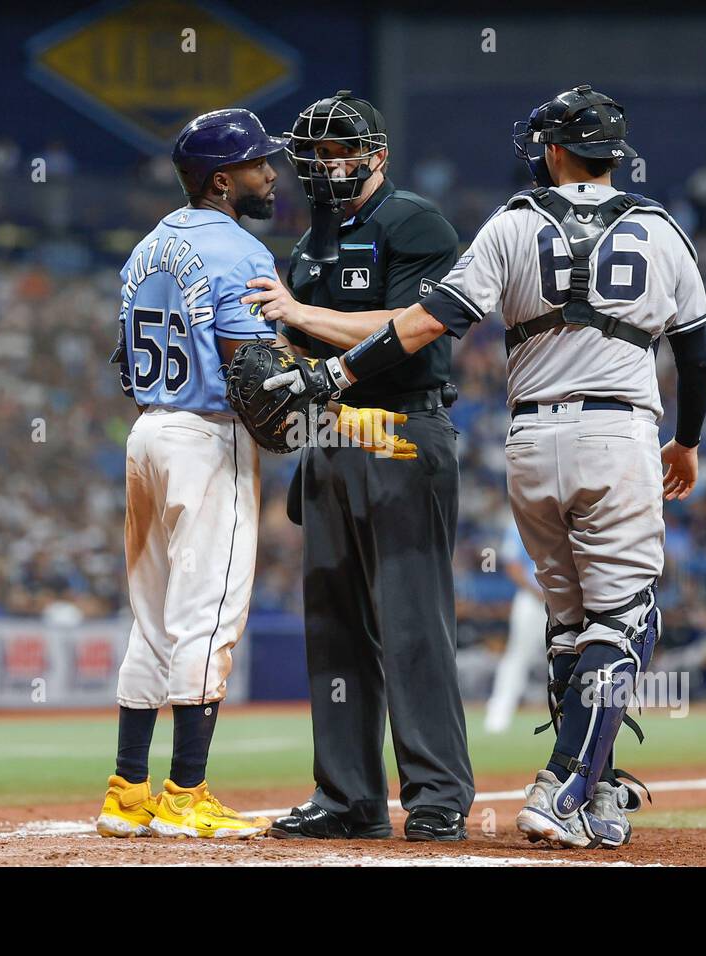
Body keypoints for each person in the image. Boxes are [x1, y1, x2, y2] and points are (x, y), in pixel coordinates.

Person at [261, 85, 706, 850]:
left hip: (530, 438)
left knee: (568, 623)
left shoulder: (510, 221)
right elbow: (695, 356)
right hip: (618, 430)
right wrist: (689, 441)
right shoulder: (661, 227)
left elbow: (432, 321)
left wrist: (333, 373)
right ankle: (569, 784)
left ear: (554, 150)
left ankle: (581, 780)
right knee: (622, 617)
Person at [241, 91, 475, 842]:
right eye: (314, 151)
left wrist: (298, 316)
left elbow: (410, 325)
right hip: (332, 438)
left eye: (339, 149)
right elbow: (299, 347)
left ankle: (437, 796)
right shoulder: (314, 238)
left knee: (412, 625)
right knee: (333, 628)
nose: (324, 163)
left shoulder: (415, 221)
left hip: (403, 432)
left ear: (375, 154)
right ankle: (347, 798)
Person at [93, 108, 291, 840]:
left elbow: (123, 360)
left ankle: (127, 788)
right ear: (220, 181)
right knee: (207, 617)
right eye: (257, 164)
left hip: (146, 433)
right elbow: (251, 371)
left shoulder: (144, 248)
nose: (271, 173)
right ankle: (186, 793)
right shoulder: (240, 251)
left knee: (152, 618)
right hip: (207, 437)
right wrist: (323, 412)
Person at [483, 524, 548, 734]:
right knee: (517, 656)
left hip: (564, 599)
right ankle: (499, 714)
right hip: (531, 599)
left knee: (574, 656)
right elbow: (512, 566)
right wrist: (539, 593)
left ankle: (587, 715)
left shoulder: (566, 513)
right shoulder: (519, 521)